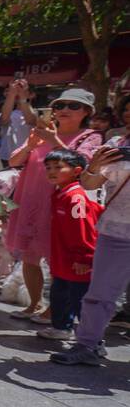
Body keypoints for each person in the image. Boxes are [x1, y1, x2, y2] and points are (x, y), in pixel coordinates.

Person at [2, 88, 103, 323]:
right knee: (29, 256)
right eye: (60, 105)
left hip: (63, 206)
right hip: (30, 200)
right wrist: (30, 145)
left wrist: (53, 141)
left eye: (73, 106)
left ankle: (55, 311)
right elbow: (15, 161)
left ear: (86, 112)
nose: (64, 110)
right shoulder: (43, 132)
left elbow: (82, 164)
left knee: (58, 259)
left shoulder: (91, 137)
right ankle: (35, 304)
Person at [53, 137, 130, 365]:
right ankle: (87, 344)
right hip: (116, 232)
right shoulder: (119, 144)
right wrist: (95, 166)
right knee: (99, 294)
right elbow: (88, 184)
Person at [39, 149, 102, 342]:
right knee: (60, 294)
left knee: (80, 300)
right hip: (64, 259)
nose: (52, 171)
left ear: (76, 171)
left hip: (77, 261)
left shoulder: (75, 197)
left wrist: (84, 258)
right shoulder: (61, 193)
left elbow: (83, 230)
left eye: (59, 167)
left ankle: (91, 340)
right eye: (48, 167)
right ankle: (62, 328)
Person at [0, 77, 37, 165]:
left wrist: (23, 95)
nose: (17, 93)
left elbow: (31, 120)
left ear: (32, 94)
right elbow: (4, 120)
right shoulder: (5, 112)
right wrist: (11, 94)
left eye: (21, 90)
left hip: (29, 156)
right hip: (7, 157)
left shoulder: (38, 113)